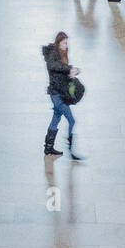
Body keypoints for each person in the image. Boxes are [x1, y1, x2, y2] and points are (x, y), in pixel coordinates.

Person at [42, 32, 83, 160]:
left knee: (56, 118)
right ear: (58, 42)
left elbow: (61, 71)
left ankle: (48, 148)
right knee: (71, 120)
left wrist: (71, 73)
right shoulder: (52, 54)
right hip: (56, 95)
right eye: (64, 43)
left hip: (59, 93)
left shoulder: (61, 54)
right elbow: (53, 66)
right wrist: (69, 69)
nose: (66, 45)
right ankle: (70, 149)